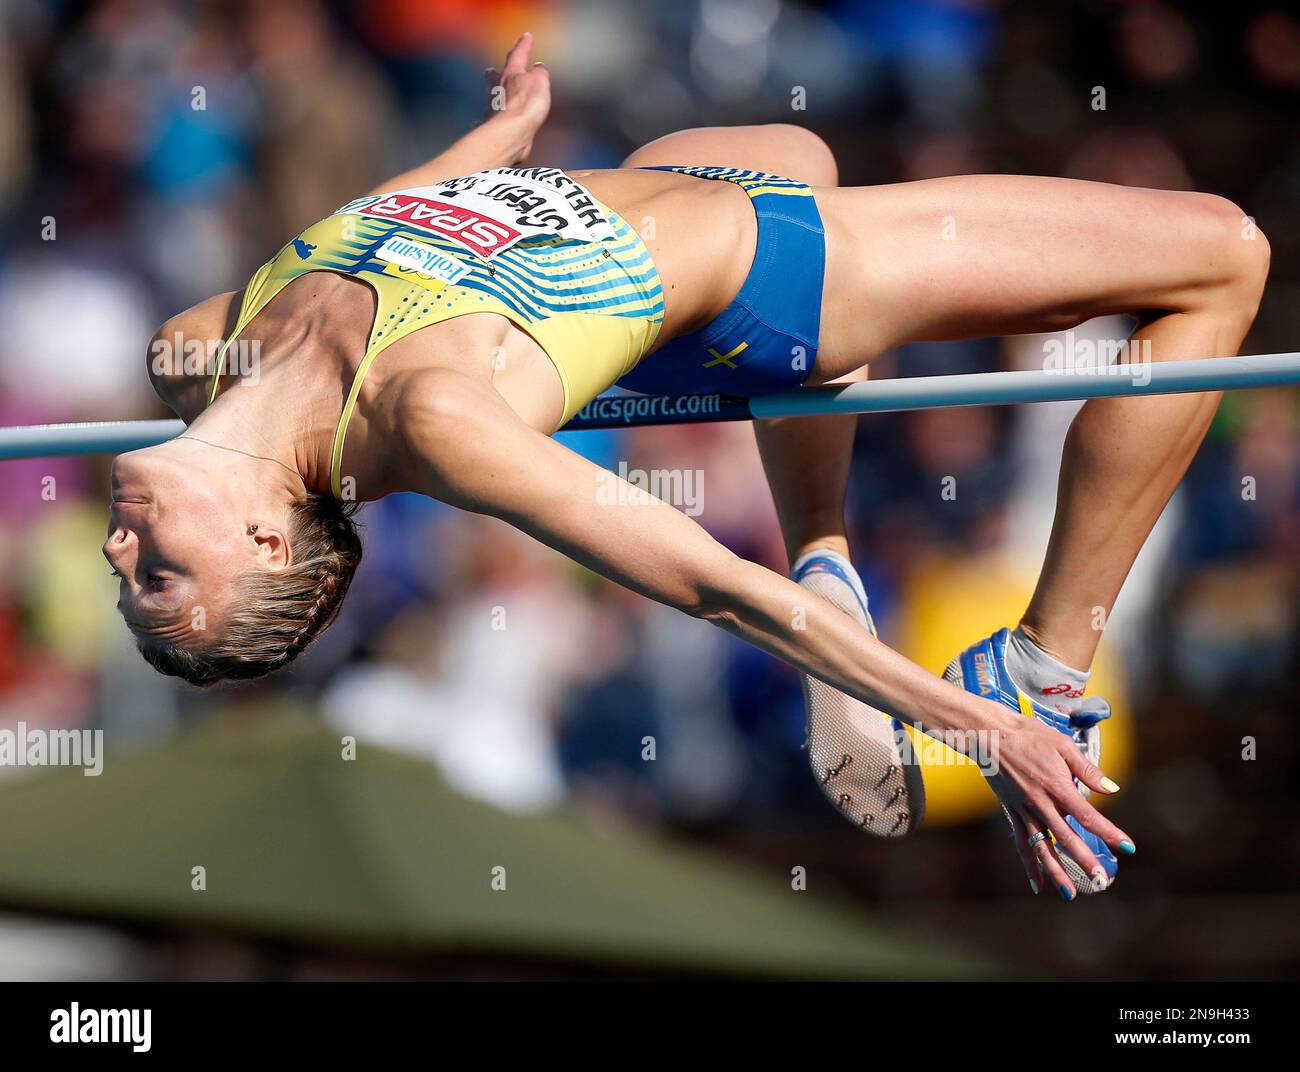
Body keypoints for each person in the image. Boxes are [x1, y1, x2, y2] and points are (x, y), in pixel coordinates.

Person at [106, 35, 1269, 900]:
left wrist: (504, 135)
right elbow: (712, 583)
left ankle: (827, 550)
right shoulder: (432, 417)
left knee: (791, 144)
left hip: (671, 202)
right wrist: (979, 726)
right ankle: (1043, 665)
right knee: (1223, 253)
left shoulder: (199, 347)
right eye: (156, 578)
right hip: (779, 280)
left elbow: (387, 217)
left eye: (128, 577)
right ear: (266, 542)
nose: (119, 549)